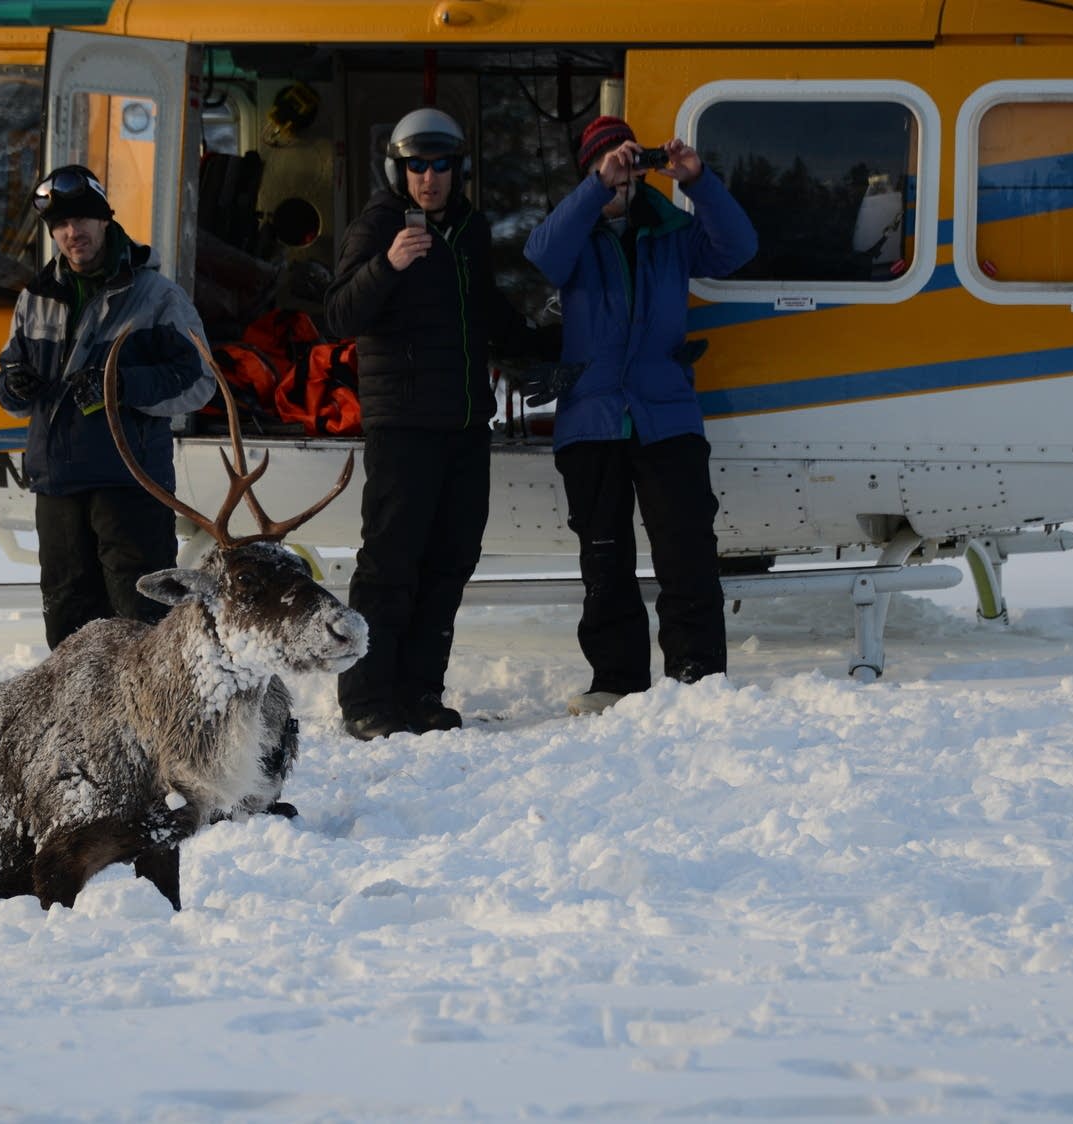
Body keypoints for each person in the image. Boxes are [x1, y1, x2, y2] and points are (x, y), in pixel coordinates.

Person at [523, 115, 758, 716]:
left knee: (686, 552)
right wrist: (596, 187)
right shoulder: (574, 233)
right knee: (604, 557)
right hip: (591, 420)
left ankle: (697, 677)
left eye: (627, 171)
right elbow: (541, 255)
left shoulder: (673, 230)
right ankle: (616, 680)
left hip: (666, 416)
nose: (621, 181)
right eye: (609, 170)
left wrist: (699, 180)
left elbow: (738, 247)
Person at [324, 107, 540, 740]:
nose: (430, 178)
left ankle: (421, 692)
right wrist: (387, 265)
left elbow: (487, 309)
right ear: (399, 169)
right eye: (417, 166)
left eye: (441, 165)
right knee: (390, 564)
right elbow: (336, 314)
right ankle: (366, 700)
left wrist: (539, 342)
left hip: (466, 423)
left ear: (457, 170)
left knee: (450, 562)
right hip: (403, 426)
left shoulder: (471, 229)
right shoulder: (378, 226)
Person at [0, 164, 215, 650]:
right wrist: (14, 387)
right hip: (57, 488)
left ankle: (154, 724)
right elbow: (8, 381)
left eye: (82, 220)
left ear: (105, 220)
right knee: (69, 630)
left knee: (143, 628)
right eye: (61, 225)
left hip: (130, 486)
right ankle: (80, 727)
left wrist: (119, 385)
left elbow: (201, 382)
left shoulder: (156, 296)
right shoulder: (35, 298)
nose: (73, 234)